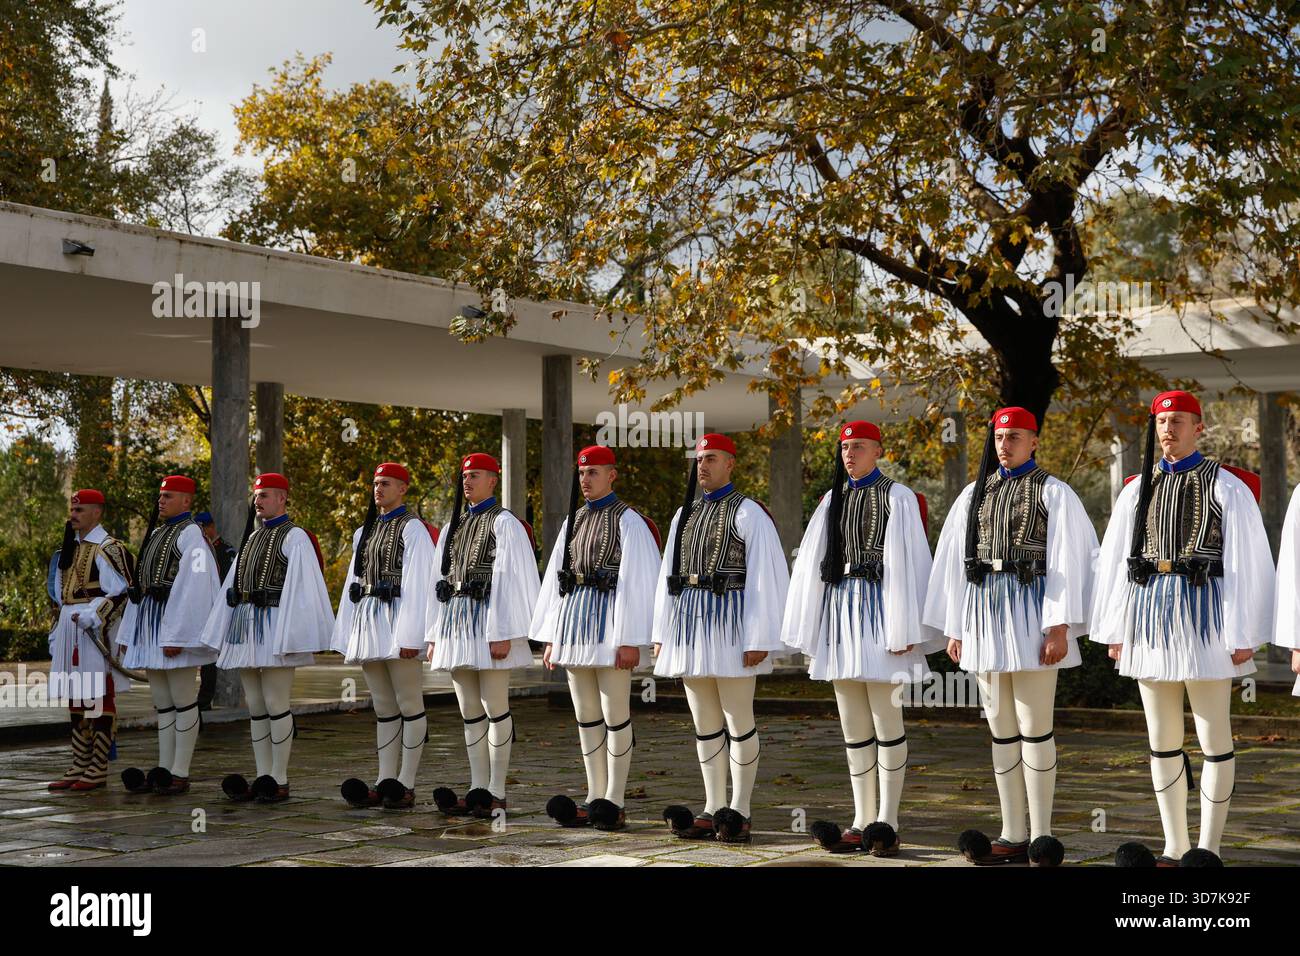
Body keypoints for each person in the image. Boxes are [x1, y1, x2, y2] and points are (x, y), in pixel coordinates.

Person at [1091, 390, 1275, 865]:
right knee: (1162, 740)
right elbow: (1115, 562)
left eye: (1178, 421)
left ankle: (1207, 849)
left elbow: (1246, 562)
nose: (1168, 429)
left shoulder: (1227, 486)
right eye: (1161, 421)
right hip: (1151, 617)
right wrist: (1116, 628)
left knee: (1215, 739)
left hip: (1207, 617)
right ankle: (1175, 845)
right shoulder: (1136, 489)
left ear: (1200, 428)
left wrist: (1244, 634)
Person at [923, 407, 1096, 865]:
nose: (1005, 444)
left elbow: (1066, 561)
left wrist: (1058, 624)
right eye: (1000, 437)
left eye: (1015, 436)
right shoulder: (972, 495)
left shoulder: (1054, 493)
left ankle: (1042, 835)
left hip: (1030, 610)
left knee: (1035, 727)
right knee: (1001, 731)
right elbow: (955, 563)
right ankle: (1012, 830)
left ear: (1034, 441)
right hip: (983, 614)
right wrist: (956, 626)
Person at [782, 421, 943, 855]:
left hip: (881, 615)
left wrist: (906, 626)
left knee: (887, 724)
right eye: (845, 448)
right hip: (840, 618)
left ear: (878, 450)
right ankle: (860, 818)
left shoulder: (899, 497)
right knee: (853, 725)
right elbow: (813, 567)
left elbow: (911, 565)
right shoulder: (831, 501)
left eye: (858, 447)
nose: (849, 455)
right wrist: (811, 628)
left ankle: (887, 820)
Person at [653, 433, 789, 844]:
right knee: (705, 724)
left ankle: (741, 810)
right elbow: (667, 578)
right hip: (690, 627)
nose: (703, 466)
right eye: (699, 459)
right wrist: (662, 633)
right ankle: (712, 807)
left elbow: (765, 578)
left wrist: (760, 636)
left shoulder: (749, 513)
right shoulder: (684, 514)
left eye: (712, 458)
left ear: (731, 463)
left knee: (738, 719)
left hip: (732, 628)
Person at [530, 445, 660, 831]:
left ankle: (615, 800)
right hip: (574, 627)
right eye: (583, 473)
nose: (586, 479)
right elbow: (557, 580)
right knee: (586, 716)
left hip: (610, 627)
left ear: (612, 475)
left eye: (594, 472)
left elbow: (638, 581)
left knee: (615, 713)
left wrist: (631, 639)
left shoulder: (629, 522)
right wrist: (552, 637)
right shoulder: (573, 520)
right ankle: (593, 795)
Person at [201, 473, 334, 802]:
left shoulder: (296, 537)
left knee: (276, 704)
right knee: (257, 706)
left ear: (282, 499)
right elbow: (232, 585)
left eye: (265, 496)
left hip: (276, 627)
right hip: (247, 628)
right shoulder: (250, 539)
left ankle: (280, 777)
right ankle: (263, 775)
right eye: (256, 496)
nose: (258, 501)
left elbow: (302, 589)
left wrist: (292, 636)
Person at [427, 452, 540, 819]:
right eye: (465, 476)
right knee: (469, 711)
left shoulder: (504, 523)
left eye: (475, 475)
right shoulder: (452, 527)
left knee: (495, 706)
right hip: (457, 623)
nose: (467, 481)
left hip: (489, 622)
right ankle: (477, 788)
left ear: (494, 480)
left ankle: (497, 790)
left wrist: (503, 630)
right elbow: (437, 583)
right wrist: (433, 634)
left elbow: (511, 580)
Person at [335, 463, 437, 810]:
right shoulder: (362, 531)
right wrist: (348, 634)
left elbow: (419, 583)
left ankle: (406, 783)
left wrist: (411, 635)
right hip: (370, 620)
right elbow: (353, 583)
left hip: (398, 621)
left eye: (387, 483)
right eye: (376, 483)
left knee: (409, 703)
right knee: (383, 707)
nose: (379, 489)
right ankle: (384, 780)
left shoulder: (414, 530)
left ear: (403, 489)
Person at [117, 475, 222, 796]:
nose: (161, 501)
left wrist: (177, 635)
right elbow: (140, 587)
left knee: (183, 700)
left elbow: (194, 588)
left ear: (187, 502)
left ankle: (180, 770)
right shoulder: (158, 532)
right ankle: (164, 768)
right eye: (161, 496)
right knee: (163, 703)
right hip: (151, 625)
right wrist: (128, 632)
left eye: (169, 496)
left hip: (173, 628)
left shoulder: (191, 534)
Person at [46, 489, 134, 792]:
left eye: (80, 510)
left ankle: (98, 765)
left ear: (97, 512)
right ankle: (80, 761)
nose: (73, 515)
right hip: (71, 628)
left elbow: (123, 591)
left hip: (94, 629)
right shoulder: (71, 547)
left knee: (98, 694)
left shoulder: (108, 548)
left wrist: (96, 616)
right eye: (73, 509)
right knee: (74, 695)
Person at [194, 511, 236, 712]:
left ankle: (204, 699)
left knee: (210, 657)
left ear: (211, 527)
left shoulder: (226, 551)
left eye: (202, 528)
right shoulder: (200, 551)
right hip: (201, 607)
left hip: (218, 609)